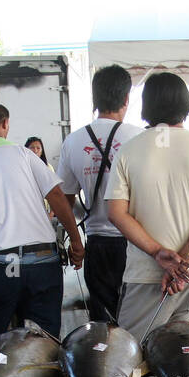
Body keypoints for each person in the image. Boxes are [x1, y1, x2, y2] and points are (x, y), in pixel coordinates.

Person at [104, 72, 189, 344]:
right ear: (186, 105)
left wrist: (159, 253)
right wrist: (183, 262)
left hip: (146, 278)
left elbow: (116, 213)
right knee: (186, 363)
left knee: (135, 360)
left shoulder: (128, 150)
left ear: (146, 107)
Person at [0, 111, 83, 340]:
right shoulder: (20, 153)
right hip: (43, 262)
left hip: (1, 264)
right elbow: (57, 195)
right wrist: (77, 242)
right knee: (44, 342)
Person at [57, 63, 141, 323]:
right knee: (136, 318)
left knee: (103, 322)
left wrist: (75, 241)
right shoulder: (139, 138)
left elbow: (64, 200)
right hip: (137, 243)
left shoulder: (73, 141)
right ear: (126, 98)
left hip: (97, 245)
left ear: (95, 98)